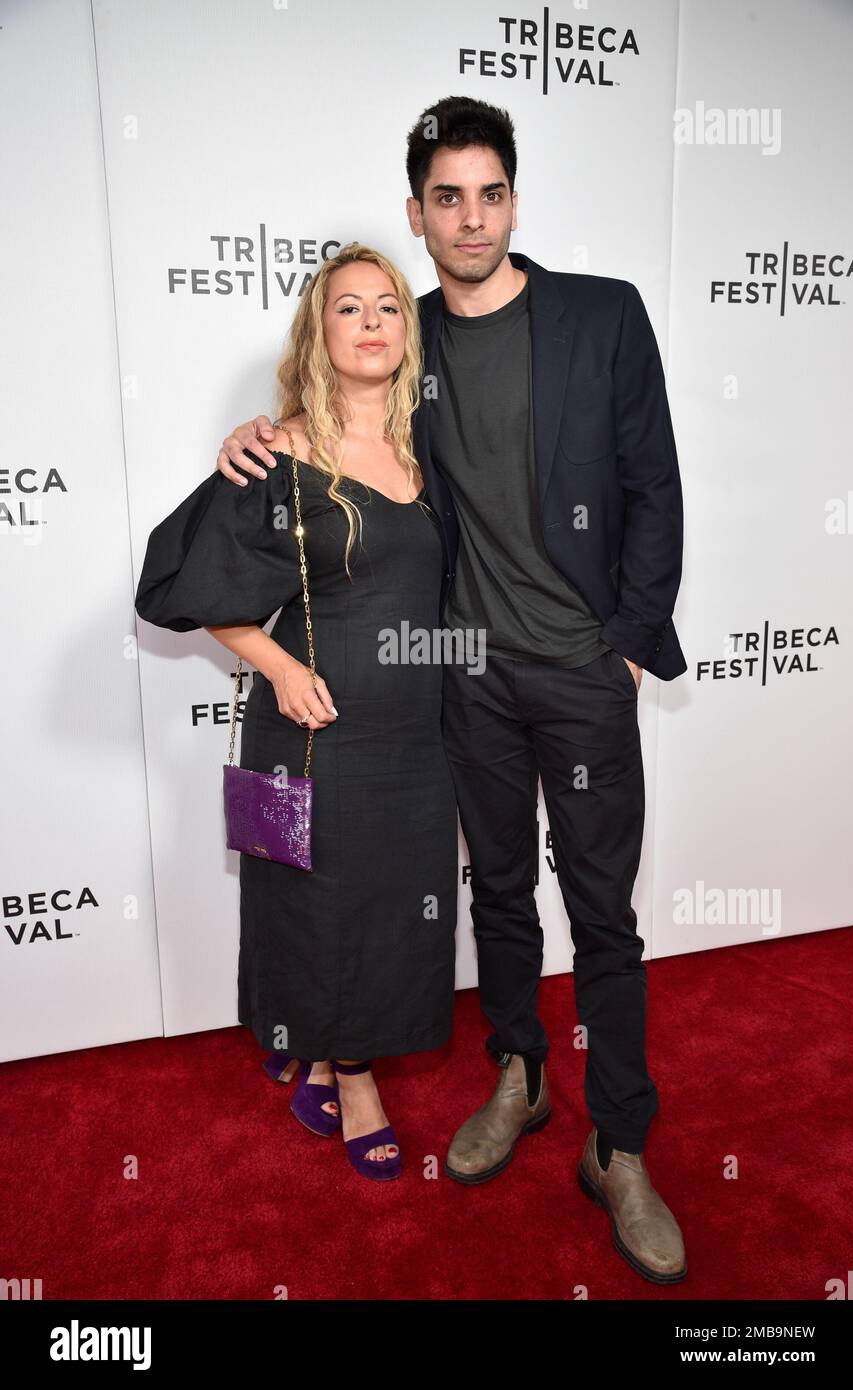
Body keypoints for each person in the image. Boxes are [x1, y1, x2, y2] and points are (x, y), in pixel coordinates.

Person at [214, 95, 688, 1281]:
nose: (470, 216)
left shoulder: (602, 315)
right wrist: (252, 441)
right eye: (446, 196)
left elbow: (654, 486)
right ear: (416, 211)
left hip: (579, 675)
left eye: (490, 192)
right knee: (502, 902)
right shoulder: (402, 335)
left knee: (609, 917)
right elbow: (338, 426)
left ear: (512, 200)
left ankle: (620, 1144)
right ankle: (519, 1078)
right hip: (461, 682)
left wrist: (620, 643)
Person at [134, 243, 459, 1183]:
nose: (369, 322)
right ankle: (349, 1075)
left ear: (409, 329)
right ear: (320, 332)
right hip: (314, 725)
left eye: (388, 306)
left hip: (416, 729)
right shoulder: (281, 450)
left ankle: (316, 1045)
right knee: (320, 906)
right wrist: (273, 663)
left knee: (393, 910)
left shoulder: (430, 452)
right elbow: (180, 583)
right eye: (347, 307)